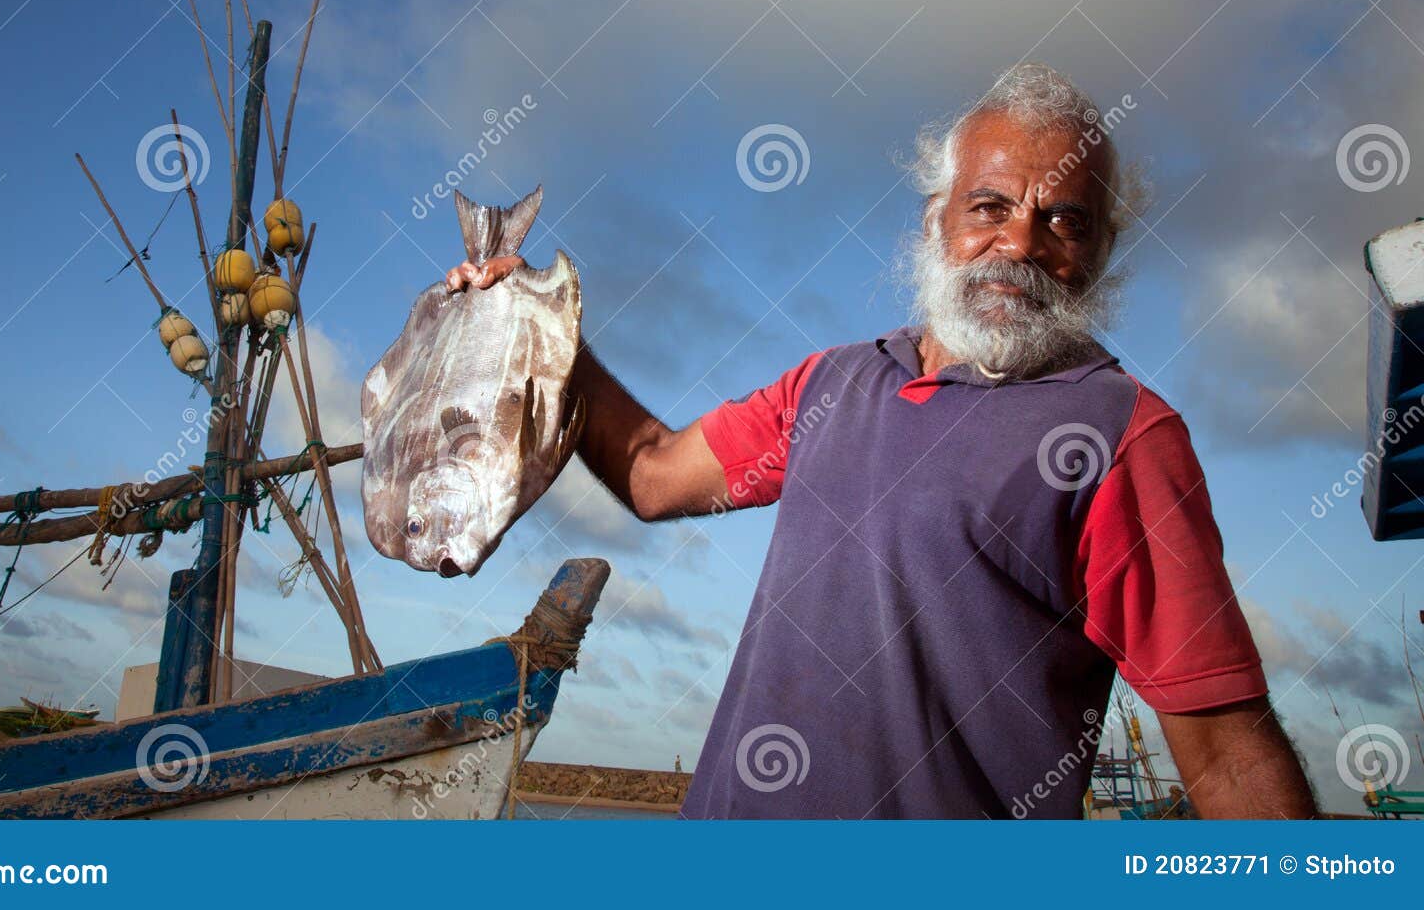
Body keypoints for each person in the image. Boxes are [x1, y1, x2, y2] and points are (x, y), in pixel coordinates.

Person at [447, 63, 1316, 819]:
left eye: (1066, 220)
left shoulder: (1123, 434)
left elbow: (1227, 751)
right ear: (939, 218)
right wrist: (539, 317)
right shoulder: (832, 382)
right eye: (991, 205)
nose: (1018, 242)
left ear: (1103, 249)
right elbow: (651, 474)